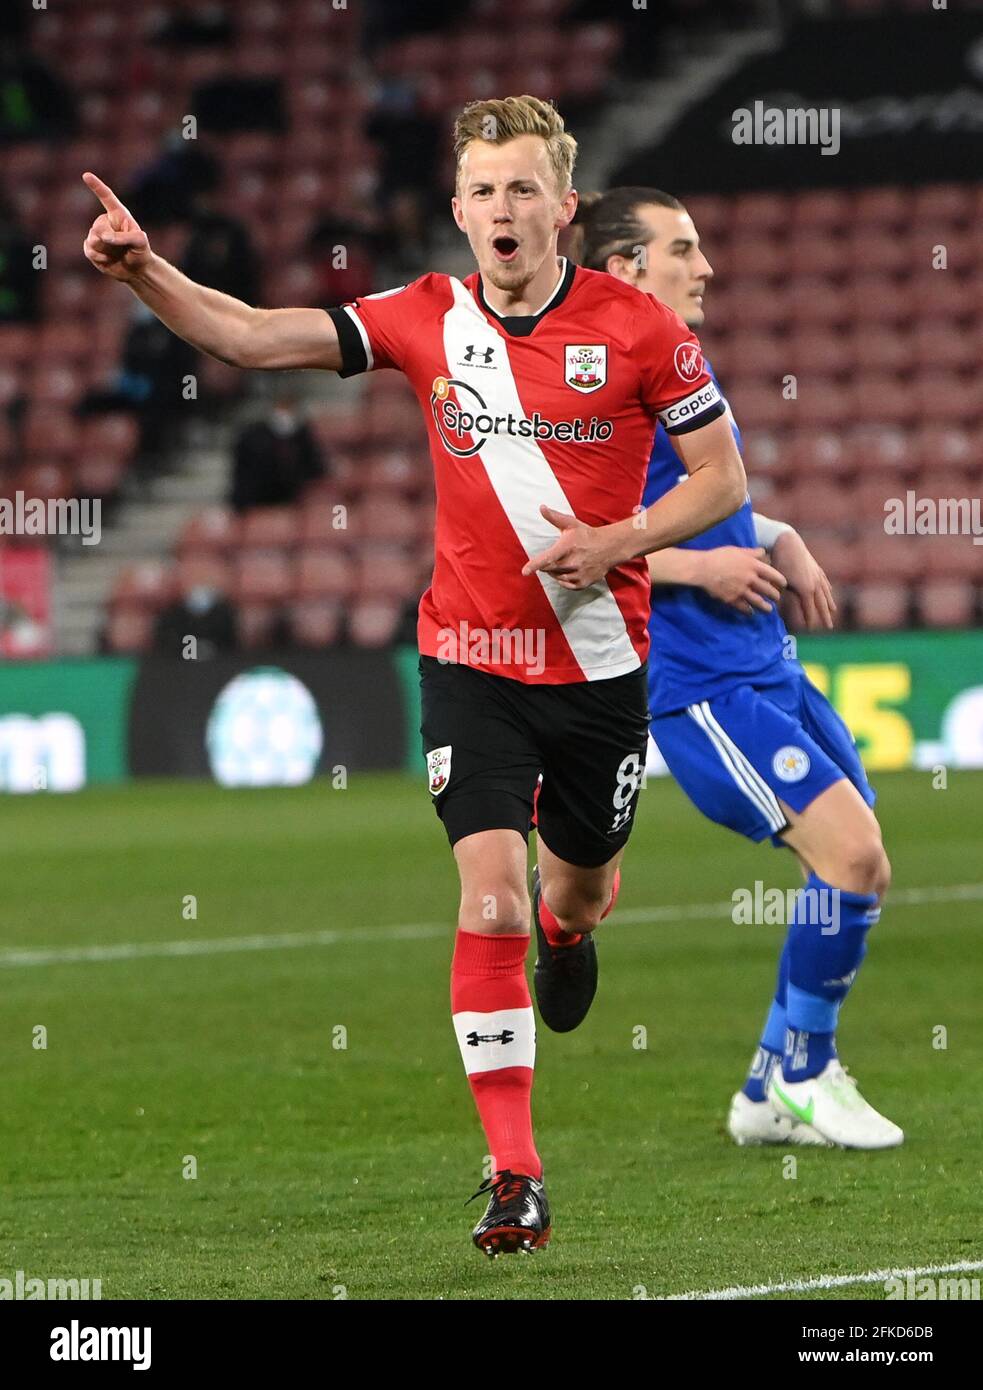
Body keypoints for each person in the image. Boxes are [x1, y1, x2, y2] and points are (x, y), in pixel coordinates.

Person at [81, 95, 747, 1255]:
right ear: (456, 208)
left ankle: (571, 929)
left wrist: (616, 543)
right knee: (484, 891)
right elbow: (247, 336)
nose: (501, 208)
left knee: (572, 888)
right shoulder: (422, 318)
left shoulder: (639, 329)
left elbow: (720, 482)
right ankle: (512, 1173)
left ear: (562, 207)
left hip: (598, 671)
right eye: (482, 190)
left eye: (522, 189)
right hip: (467, 661)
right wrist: (147, 274)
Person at [576, 186, 901, 1150]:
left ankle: (766, 1087)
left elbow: (696, 507)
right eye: (683, 248)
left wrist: (775, 534)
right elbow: (574, 543)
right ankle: (806, 1073)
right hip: (702, 689)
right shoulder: (592, 389)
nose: (706, 265)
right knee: (850, 857)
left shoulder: (673, 363)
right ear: (626, 267)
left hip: (769, 670)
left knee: (857, 858)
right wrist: (697, 566)